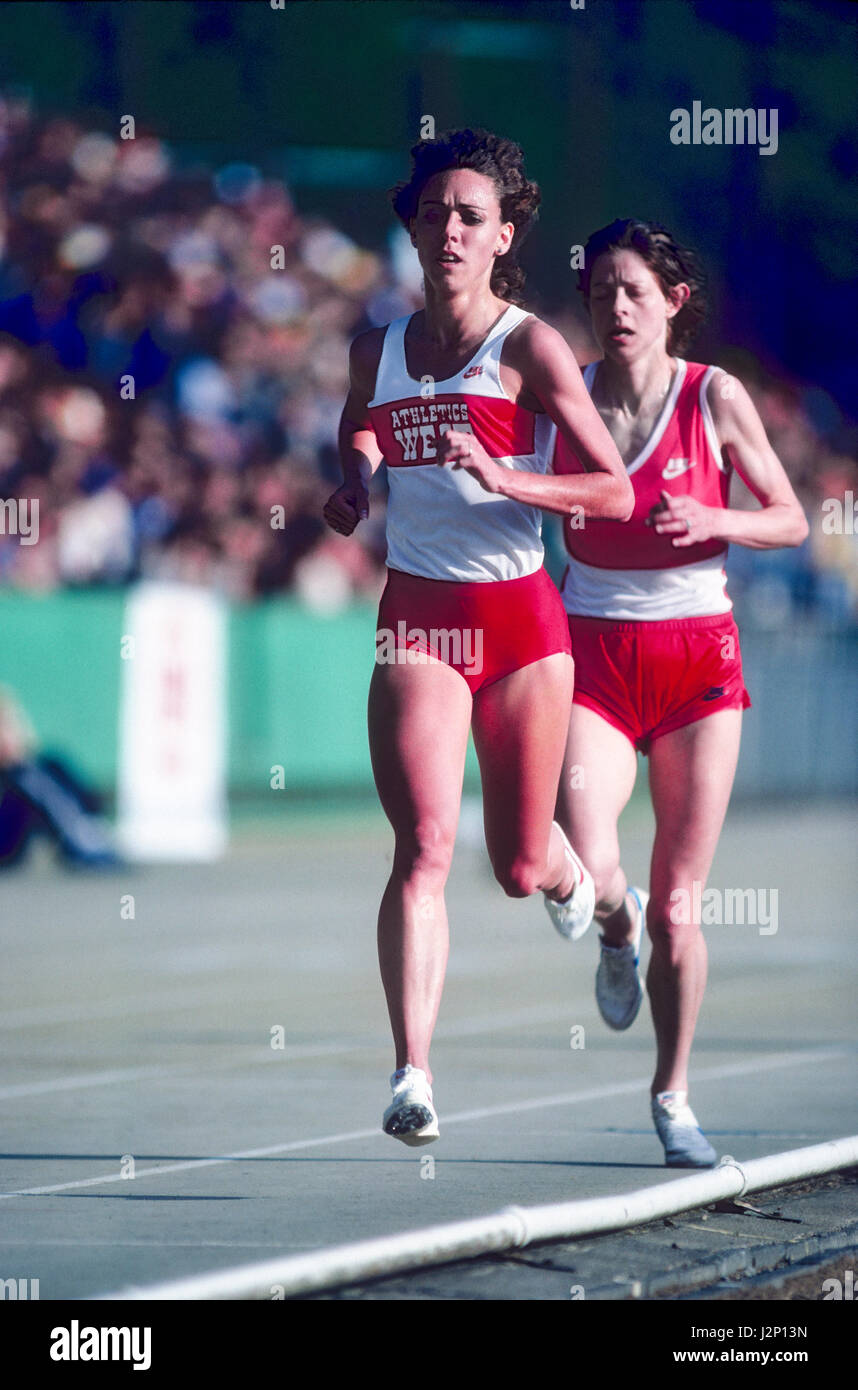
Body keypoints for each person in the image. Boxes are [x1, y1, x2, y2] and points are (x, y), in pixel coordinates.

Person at [323, 129, 632, 1145]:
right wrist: (358, 476)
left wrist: (510, 478)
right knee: (421, 846)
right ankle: (412, 1073)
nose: (449, 231)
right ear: (412, 227)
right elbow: (360, 421)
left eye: (471, 217)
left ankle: (569, 876)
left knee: (511, 863)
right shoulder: (380, 344)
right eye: (434, 213)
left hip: (521, 624)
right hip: (418, 617)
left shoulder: (530, 347)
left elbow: (613, 488)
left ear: (504, 237)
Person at [550, 219, 808, 1166]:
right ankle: (610, 933)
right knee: (586, 846)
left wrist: (714, 514)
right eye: (601, 292)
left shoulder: (715, 396)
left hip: (699, 657)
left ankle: (673, 1098)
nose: (615, 308)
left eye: (633, 292)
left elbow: (789, 518)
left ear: (672, 302)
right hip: (597, 653)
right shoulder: (564, 397)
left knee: (679, 906)